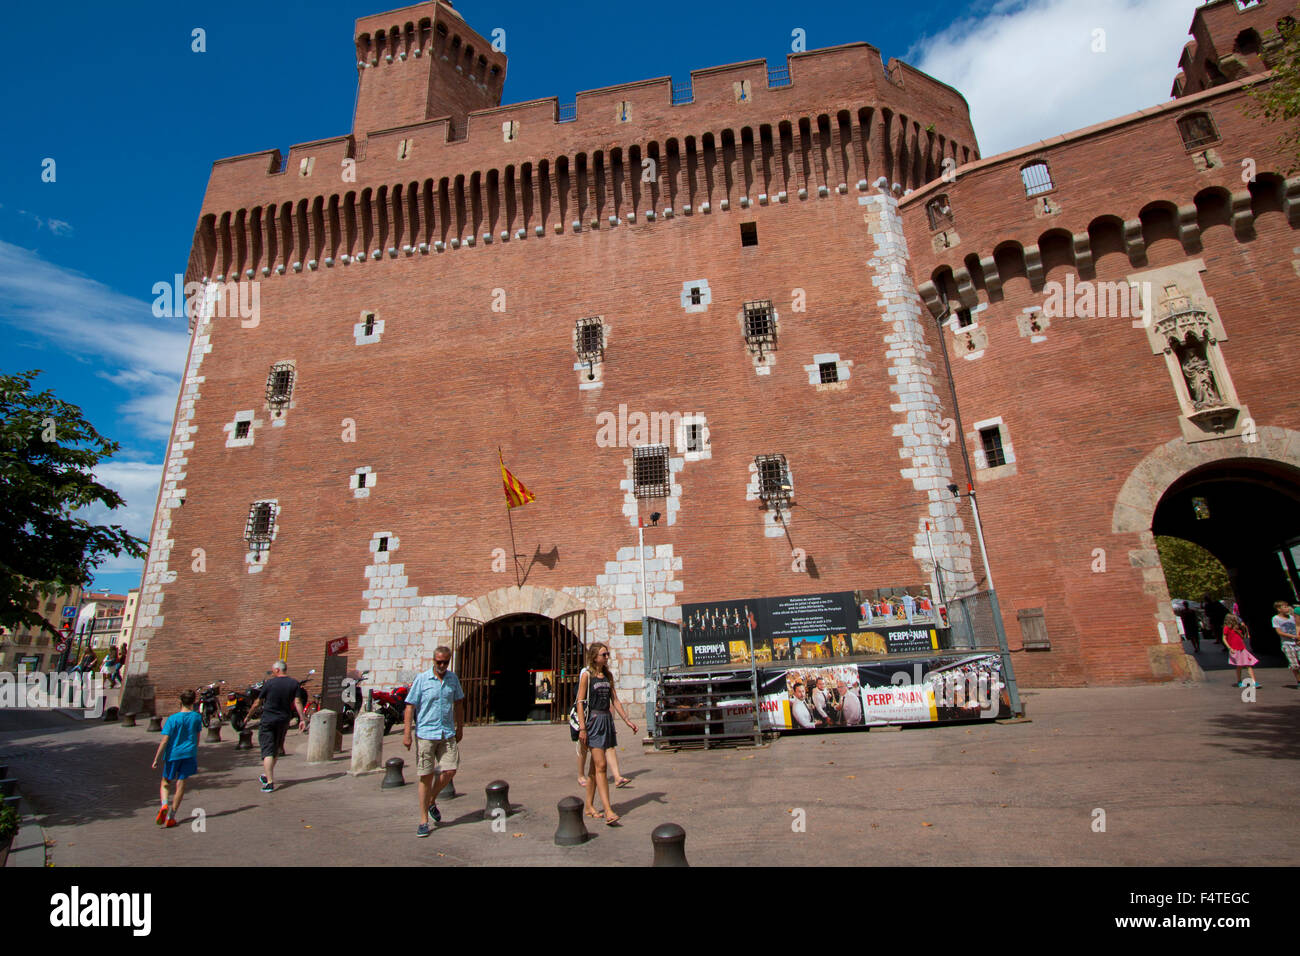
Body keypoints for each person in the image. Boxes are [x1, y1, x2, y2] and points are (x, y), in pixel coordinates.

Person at [403, 645, 464, 837]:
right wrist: (407, 734)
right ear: (433, 660)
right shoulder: (422, 679)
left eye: (446, 662)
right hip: (426, 734)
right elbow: (410, 707)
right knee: (425, 776)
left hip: (446, 733)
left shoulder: (453, 679)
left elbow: (459, 704)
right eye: (439, 662)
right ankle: (423, 820)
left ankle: (431, 799)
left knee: (450, 769)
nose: (443, 665)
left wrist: (460, 728)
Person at [578, 643, 637, 826]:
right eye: (604, 654)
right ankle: (608, 809)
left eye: (608, 654)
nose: (607, 657)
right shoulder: (587, 676)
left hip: (606, 721)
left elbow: (615, 700)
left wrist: (627, 720)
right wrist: (582, 727)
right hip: (593, 722)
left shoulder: (608, 676)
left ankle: (588, 806)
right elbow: (580, 701)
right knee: (601, 765)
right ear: (595, 657)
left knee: (594, 769)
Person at [245, 659, 306, 792]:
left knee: (267, 750)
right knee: (276, 748)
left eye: (273, 670)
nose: (272, 672)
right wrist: (302, 718)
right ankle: (267, 774)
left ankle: (269, 782)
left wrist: (248, 716)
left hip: (268, 719)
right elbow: (297, 701)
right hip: (283, 720)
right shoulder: (294, 683)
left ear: (277, 670)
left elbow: (257, 702)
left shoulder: (270, 683)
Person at [150, 689, 203, 828]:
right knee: (181, 784)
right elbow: (197, 737)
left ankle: (164, 804)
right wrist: (194, 750)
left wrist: (156, 758)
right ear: (193, 702)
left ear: (180, 701)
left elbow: (165, 740)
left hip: (173, 754)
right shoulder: (197, 717)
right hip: (189, 753)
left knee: (165, 782)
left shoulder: (173, 719)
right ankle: (172, 816)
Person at [1222, 614, 1259, 688]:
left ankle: (1254, 682)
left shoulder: (1237, 628)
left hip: (1242, 648)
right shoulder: (1226, 628)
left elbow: (1242, 637)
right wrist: (1229, 648)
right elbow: (1224, 638)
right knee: (1239, 666)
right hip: (1235, 649)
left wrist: (1238, 631)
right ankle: (1239, 681)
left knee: (1248, 665)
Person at [1272, 601, 1300, 687]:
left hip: (1296, 643)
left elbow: (1297, 626)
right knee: (1294, 665)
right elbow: (1279, 632)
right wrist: (1293, 636)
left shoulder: (1292, 617)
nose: (1287, 608)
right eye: (1285, 607)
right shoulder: (1276, 619)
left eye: (1287, 606)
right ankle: (1299, 681)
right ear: (1279, 609)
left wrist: (1298, 636)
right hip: (1287, 643)